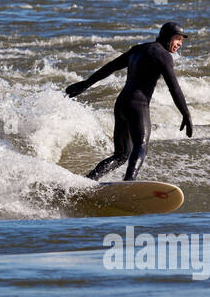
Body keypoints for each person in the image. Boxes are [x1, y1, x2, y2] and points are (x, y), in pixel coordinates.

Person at [65, 21, 193, 181]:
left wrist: (86, 84)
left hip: (121, 104)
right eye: (178, 39)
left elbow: (111, 67)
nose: (180, 44)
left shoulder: (137, 50)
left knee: (121, 155)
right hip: (138, 106)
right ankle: (129, 182)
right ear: (168, 37)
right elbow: (174, 87)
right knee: (141, 145)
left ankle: (87, 181)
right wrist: (186, 114)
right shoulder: (163, 55)